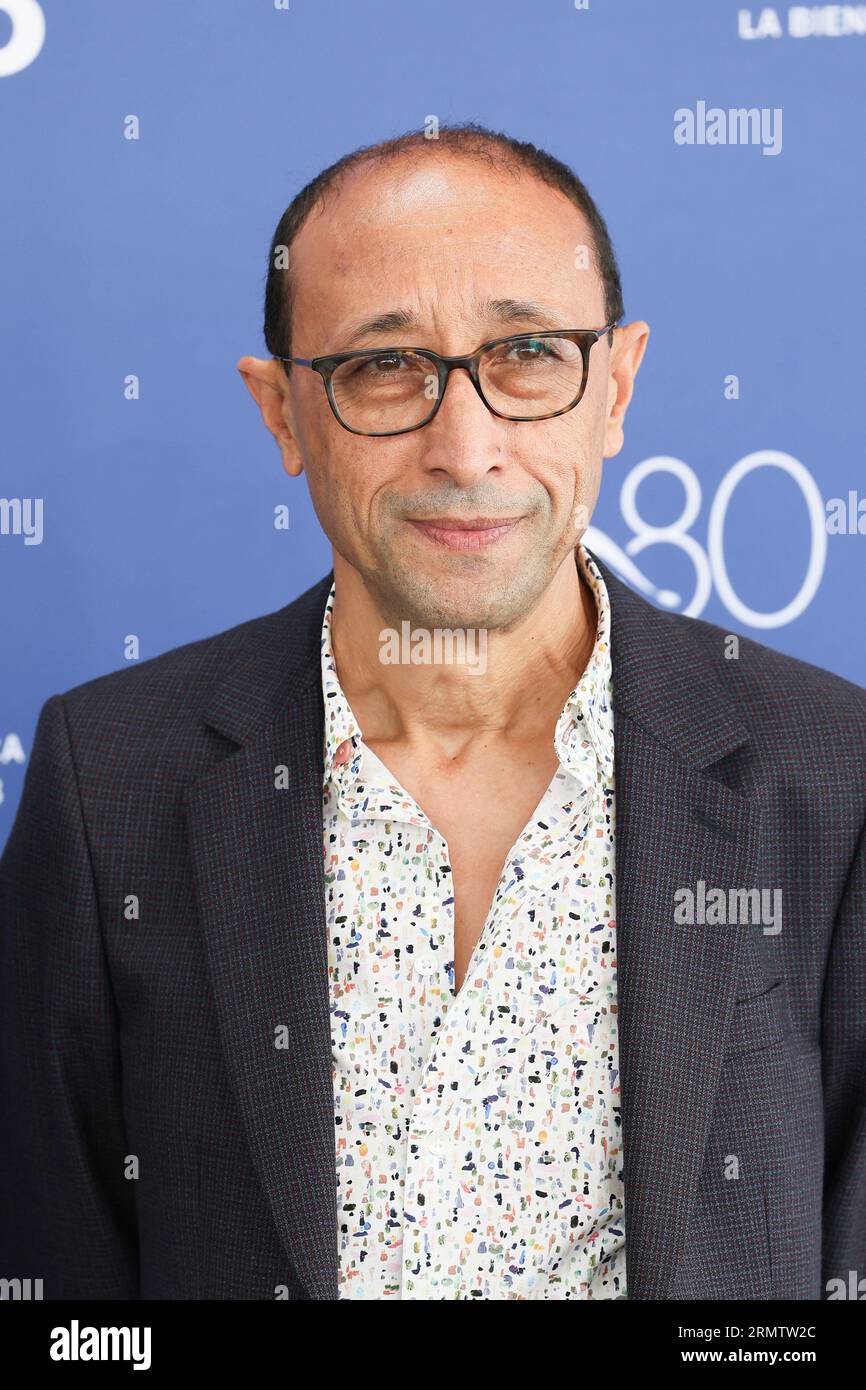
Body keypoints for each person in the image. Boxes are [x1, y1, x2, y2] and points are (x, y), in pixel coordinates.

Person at [1, 123, 864, 1301]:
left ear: (613, 385)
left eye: (524, 353)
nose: (464, 447)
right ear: (281, 413)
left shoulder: (833, 776)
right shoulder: (108, 781)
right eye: (382, 367)